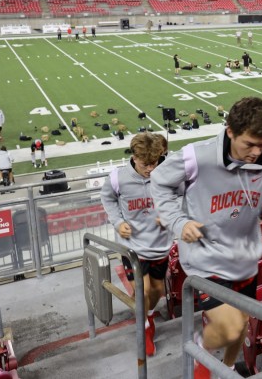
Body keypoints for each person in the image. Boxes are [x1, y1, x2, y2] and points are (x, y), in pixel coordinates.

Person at [151, 97, 262, 378]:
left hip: (245, 256)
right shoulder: (196, 157)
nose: (256, 152)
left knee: (242, 323)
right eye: (249, 144)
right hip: (207, 259)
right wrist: (178, 221)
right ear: (230, 132)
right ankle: (201, 349)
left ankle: (224, 368)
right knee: (230, 326)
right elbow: (158, 181)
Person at [101, 133, 170, 357]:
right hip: (133, 248)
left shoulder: (168, 172)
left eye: (154, 163)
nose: (150, 169)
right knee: (144, 289)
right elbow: (108, 198)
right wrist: (119, 222)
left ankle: (146, 314)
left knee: (158, 290)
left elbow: (182, 195)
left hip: (160, 245)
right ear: (134, 157)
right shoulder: (118, 178)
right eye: (145, 164)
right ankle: (145, 327)